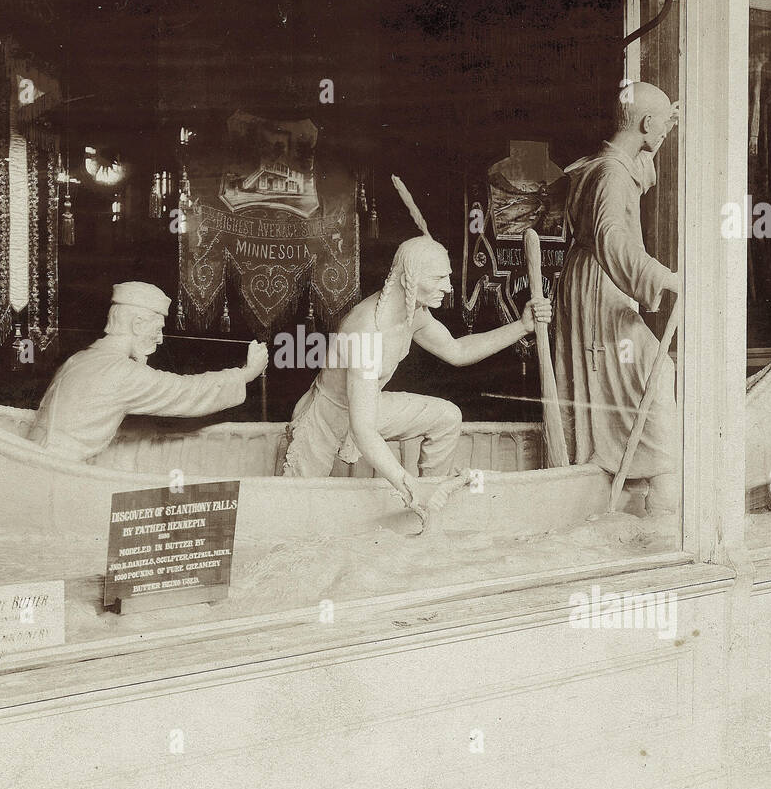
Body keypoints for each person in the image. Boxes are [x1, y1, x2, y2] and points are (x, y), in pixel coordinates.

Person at [282, 233, 550, 516]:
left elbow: (458, 351)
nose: (448, 287)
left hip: (366, 408)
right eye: (438, 278)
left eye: (447, 277)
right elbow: (363, 430)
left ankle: (431, 503)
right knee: (295, 509)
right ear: (407, 278)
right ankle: (418, 496)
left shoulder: (414, 314)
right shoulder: (366, 332)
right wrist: (405, 483)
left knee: (447, 417)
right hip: (326, 420)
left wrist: (522, 327)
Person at [554, 81, 680, 514]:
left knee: (623, 379)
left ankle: (624, 468)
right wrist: (664, 278)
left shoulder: (611, 162)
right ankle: (657, 474)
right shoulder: (611, 173)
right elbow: (612, 237)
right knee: (652, 372)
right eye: (661, 126)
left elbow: (642, 169)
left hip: (595, 279)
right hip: (602, 282)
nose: (664, 134)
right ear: (645, 124)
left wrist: (662, 126)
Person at [28, 281, 268, 462]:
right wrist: (246, 374)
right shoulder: (122, 372)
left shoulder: (79, 359)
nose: (160, 339)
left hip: (39, 460)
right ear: (137, 325)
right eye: (158, 329)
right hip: (61, 474)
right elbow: (186, 391)